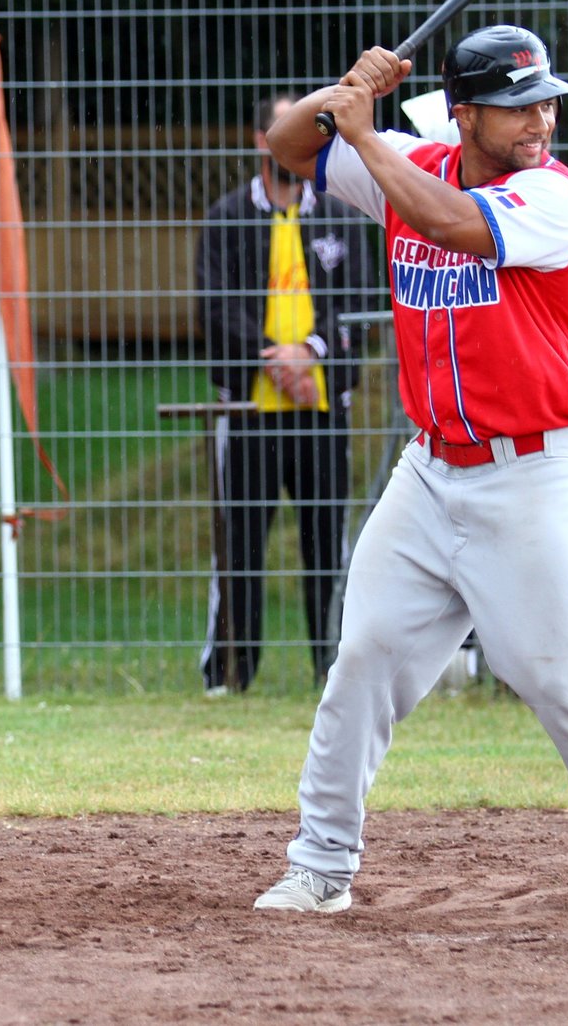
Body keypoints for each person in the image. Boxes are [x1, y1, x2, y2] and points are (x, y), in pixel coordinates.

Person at [250, 25, 568, 916]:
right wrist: (347, 93)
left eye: (545, 103)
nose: (539, 120)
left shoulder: (553, 198)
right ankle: (322, 862)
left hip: (533, 469)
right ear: (462, 116)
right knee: (365, 658)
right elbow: (287, 146)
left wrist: (366, 133)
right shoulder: (412, 161)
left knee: (558, 674)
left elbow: (447, 221)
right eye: (515, 105)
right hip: (429, 472)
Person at [196, 95, 380, 694]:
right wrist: (272, 359)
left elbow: (358, 306)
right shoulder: (225, 219)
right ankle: (231, 674)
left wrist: (314, 353)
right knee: (240, 543)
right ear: (261, 141)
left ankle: (333, 672)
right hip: (248, 407)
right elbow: (213, 306)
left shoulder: (342, 216)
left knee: (327, 545)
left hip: (324, 409)